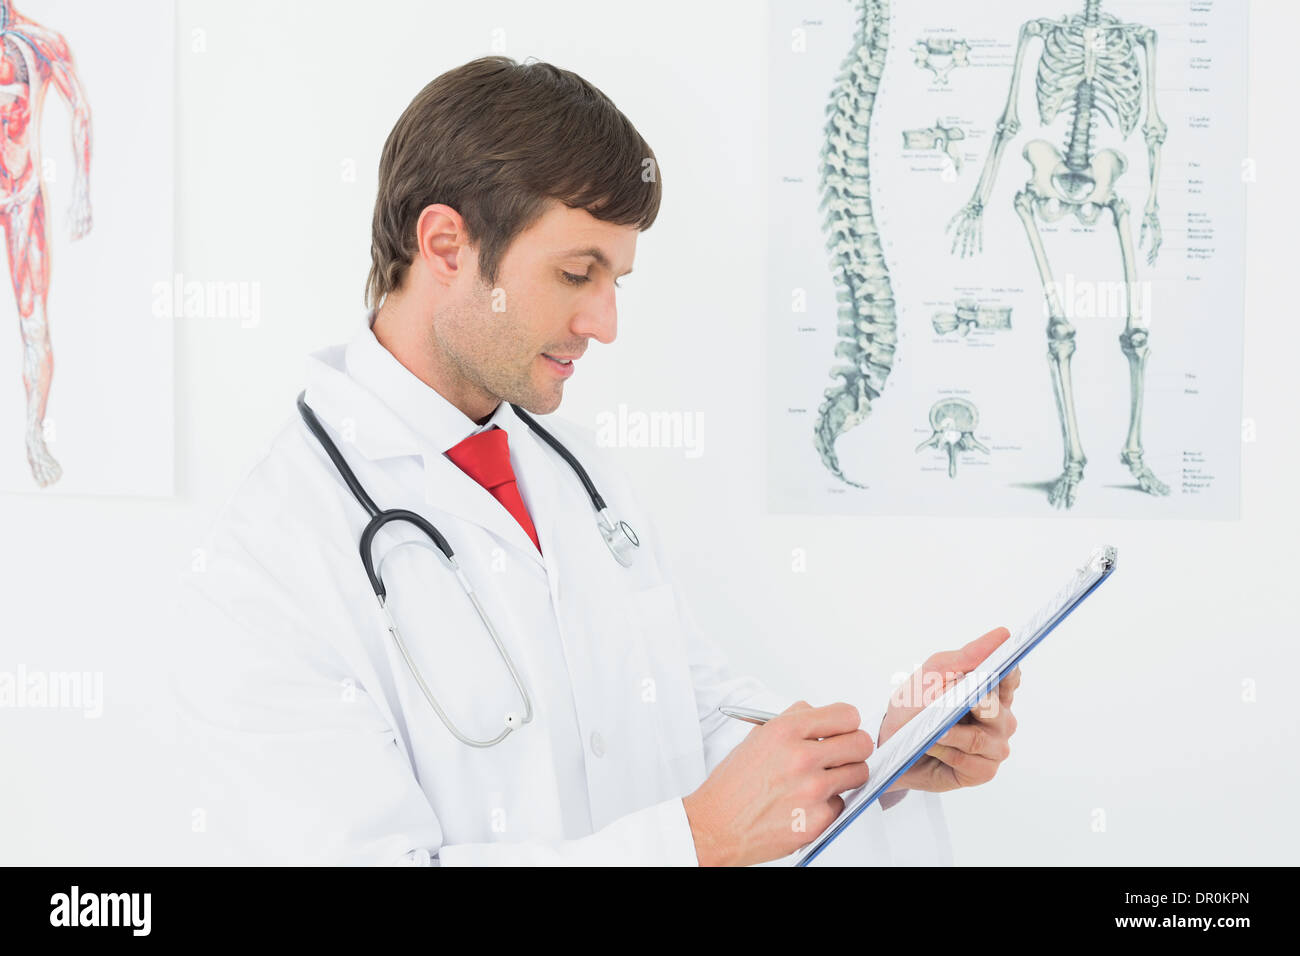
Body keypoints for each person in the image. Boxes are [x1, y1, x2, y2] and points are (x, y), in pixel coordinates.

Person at [171, 55, 1020, 866]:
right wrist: (694, 846)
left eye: (616, 279)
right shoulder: (268, 562)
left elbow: (690, 718)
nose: (605, 323)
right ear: (444, 246)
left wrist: (883, 760)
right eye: (577, 273)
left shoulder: (575, 472)